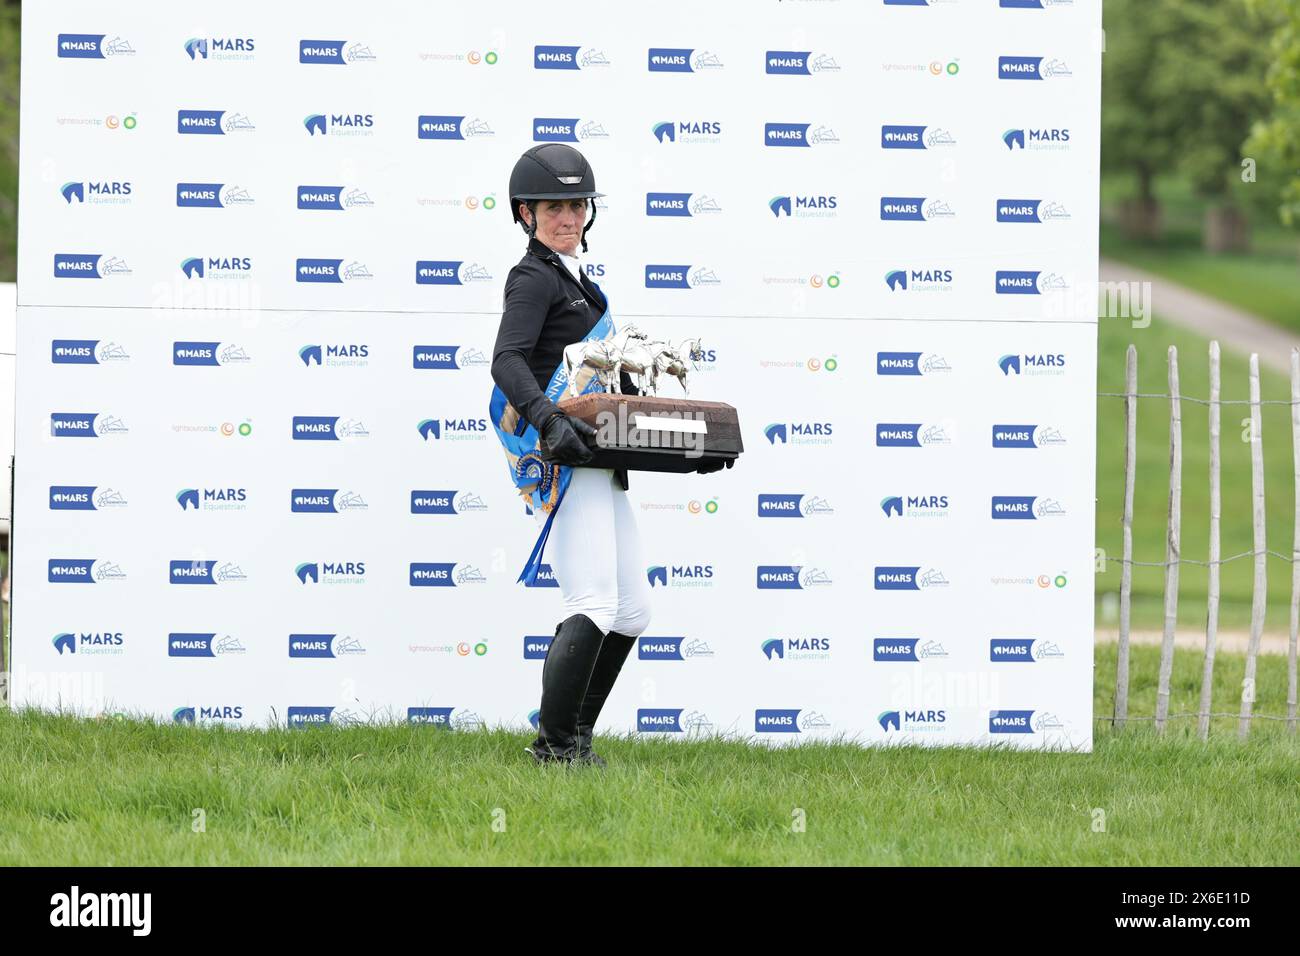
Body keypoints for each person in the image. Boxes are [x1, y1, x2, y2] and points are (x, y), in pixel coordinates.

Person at [490, 144, 730, 767]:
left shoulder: (583, 287)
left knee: (632, 610)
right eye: (554, 208)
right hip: (566, 458)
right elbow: (507, 361)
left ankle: (576, 739)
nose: (568, 218)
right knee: (593, 601)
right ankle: (555, 749)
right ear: (526, 214)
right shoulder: (534, 278)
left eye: (577, 206)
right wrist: (544, 419)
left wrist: (687, 445)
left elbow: (615, 388)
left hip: (599, 457)